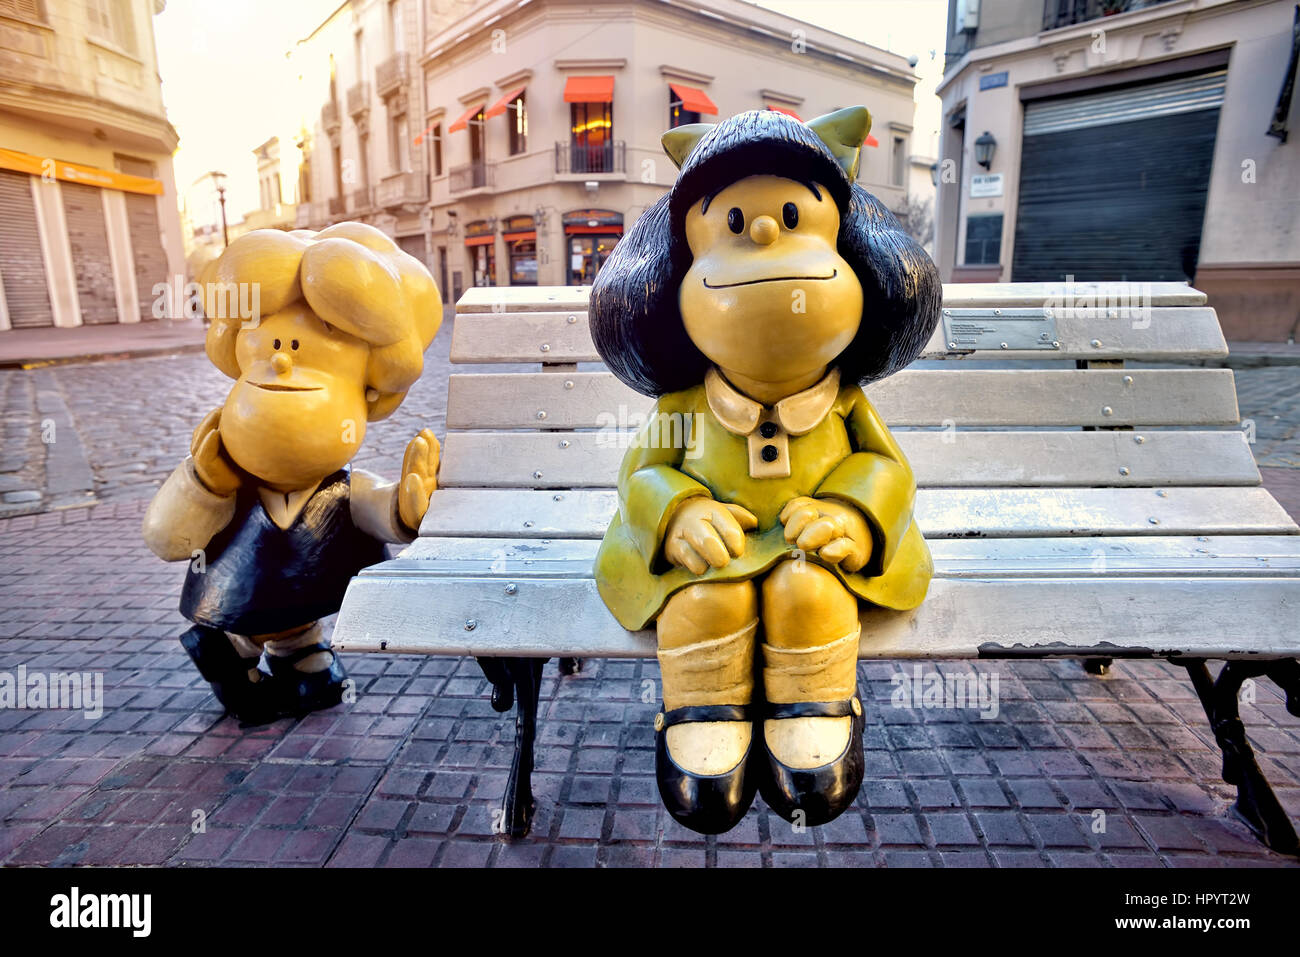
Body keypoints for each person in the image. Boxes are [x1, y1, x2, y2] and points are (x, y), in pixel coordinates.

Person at [589, 108, 941, 833]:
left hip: (814, 547)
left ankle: (813, 703)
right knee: (702, 601)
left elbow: (886, 466)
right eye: (733, 225)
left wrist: (853, 511)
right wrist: (678, 509)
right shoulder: (687, 404)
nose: (765, 237)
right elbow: (642, 472)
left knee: (809, 589)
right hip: (707, 555)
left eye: (791, 215)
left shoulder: (842, 399)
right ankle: (701, 707)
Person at [143, 222, 441, 723]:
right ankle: (232, 649)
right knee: (252, 629)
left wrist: (404, 508)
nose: (282, 359)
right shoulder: (225, 471)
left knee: (308, 657)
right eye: (270, 344)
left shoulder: (337, 486)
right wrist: (204, 484)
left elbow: (369, 507)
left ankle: (294, 654)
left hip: (299, 600)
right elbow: (167, 538)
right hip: (235, 592)